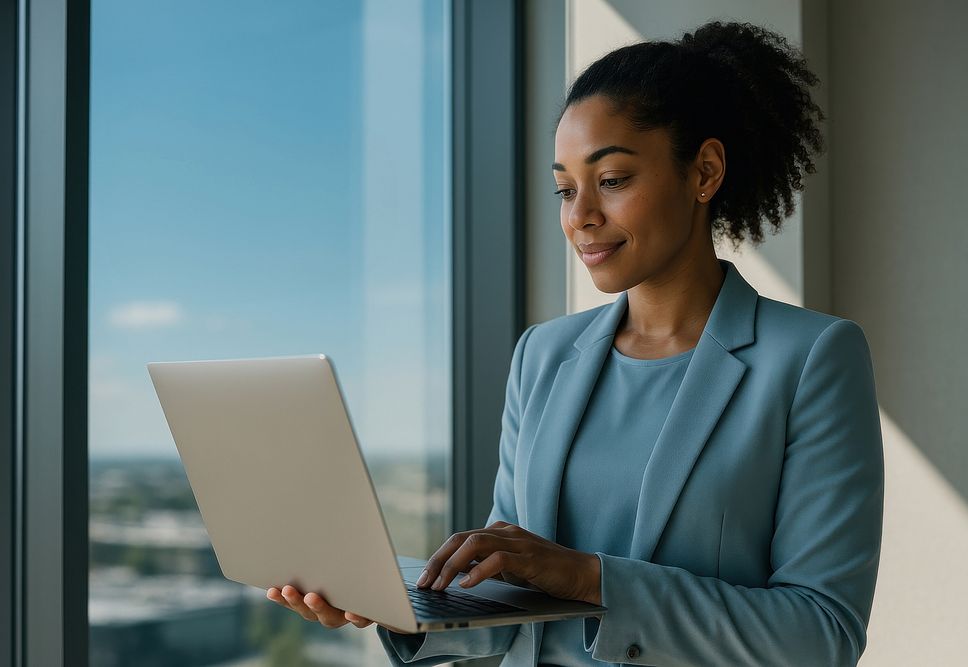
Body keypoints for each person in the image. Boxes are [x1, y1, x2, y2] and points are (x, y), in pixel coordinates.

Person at [266, 20, 884, 667]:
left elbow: (822, 635)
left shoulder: (811, 357)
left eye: (611, 178)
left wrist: (591, 578)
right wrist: (399, 607)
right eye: (564, 188)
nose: (579, 214)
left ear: (703, 171)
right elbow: (514, 609)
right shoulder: (543, 355)